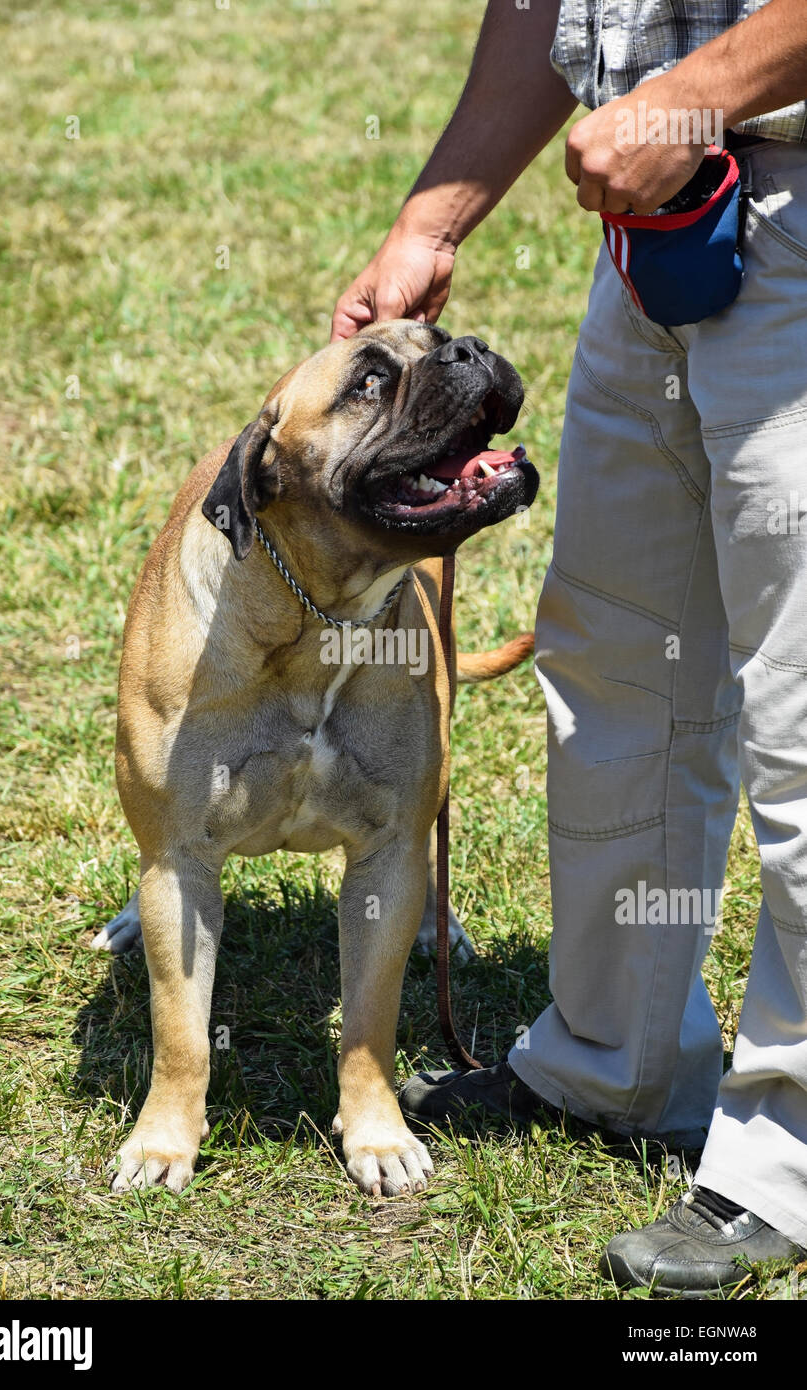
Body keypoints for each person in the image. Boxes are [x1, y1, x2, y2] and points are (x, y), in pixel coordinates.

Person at [331, 0, 807, 1297]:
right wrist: (432, 219)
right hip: (660, 235)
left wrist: (690, 95)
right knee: (616, 661)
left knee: (800, 718)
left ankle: (782, 1156)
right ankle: (617, 1059)